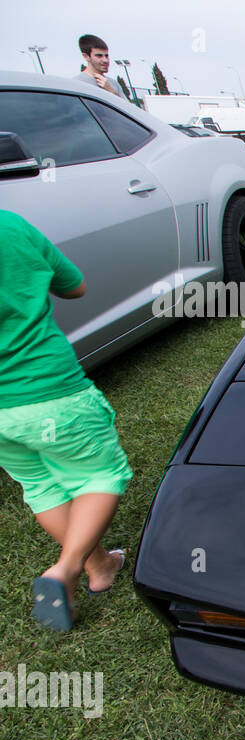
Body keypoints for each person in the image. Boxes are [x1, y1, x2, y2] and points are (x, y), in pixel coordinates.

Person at [0, 211, 133, 631]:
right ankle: (67, 569)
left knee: (41, 484)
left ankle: (101, 567)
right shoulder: (10, 227)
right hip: (47, 391)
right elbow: (75, 286)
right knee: (98, 475)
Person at [74, 34, 123, 99]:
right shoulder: (77, 83)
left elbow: (128, 108)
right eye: (99, 56)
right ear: (86, 56)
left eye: (106, 56)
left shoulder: (113, 83)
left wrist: (111, 91)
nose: (105, 60)